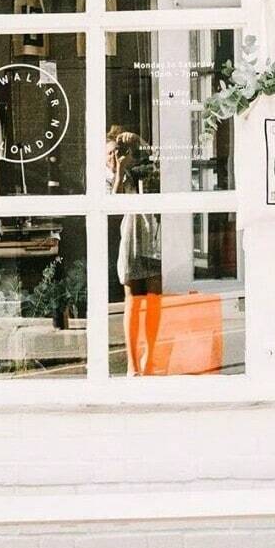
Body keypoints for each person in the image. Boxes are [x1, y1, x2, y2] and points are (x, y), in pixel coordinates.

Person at [106, 127, 161, 374]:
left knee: (153, 300)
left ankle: (149, 358)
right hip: (130, 236)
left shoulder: (143, 169)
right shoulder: (111, 175)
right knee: (132, 301)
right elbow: (112, 206)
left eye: (116, 152)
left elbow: (164, 163)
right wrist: (119, 170)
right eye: (109, 153)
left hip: (153, 235)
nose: (112, 157)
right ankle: (132, 361)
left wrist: (140, 142)